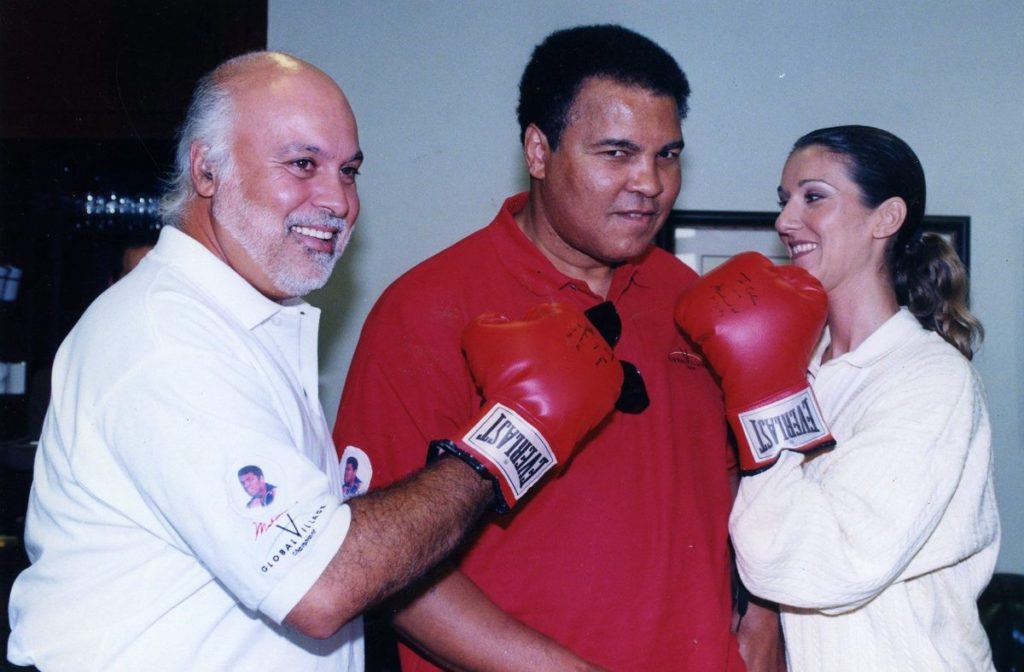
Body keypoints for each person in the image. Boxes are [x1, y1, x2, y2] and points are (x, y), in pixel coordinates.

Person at [6, 51, 623, 671]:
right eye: (302, 164)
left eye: (349, 171)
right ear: (206, 170)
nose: (338, 200)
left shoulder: (244, 327)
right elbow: (322, 586)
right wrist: (510, 437)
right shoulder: (167, 337)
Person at [335, 24, 783, 671]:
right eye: (616, 153)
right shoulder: (431, 309)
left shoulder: (694, 304)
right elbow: (384, 564)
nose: (650, 183)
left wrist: (764, 617)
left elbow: (741, 480)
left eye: (667, 155)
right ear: (539, 151)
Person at [677, 125, 1000, 670]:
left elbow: (823, 563)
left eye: (814, 197)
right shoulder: (800, 367)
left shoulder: (930, 378)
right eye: (784, 201)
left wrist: (764, 402)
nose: (783, 221)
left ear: (887, 218)